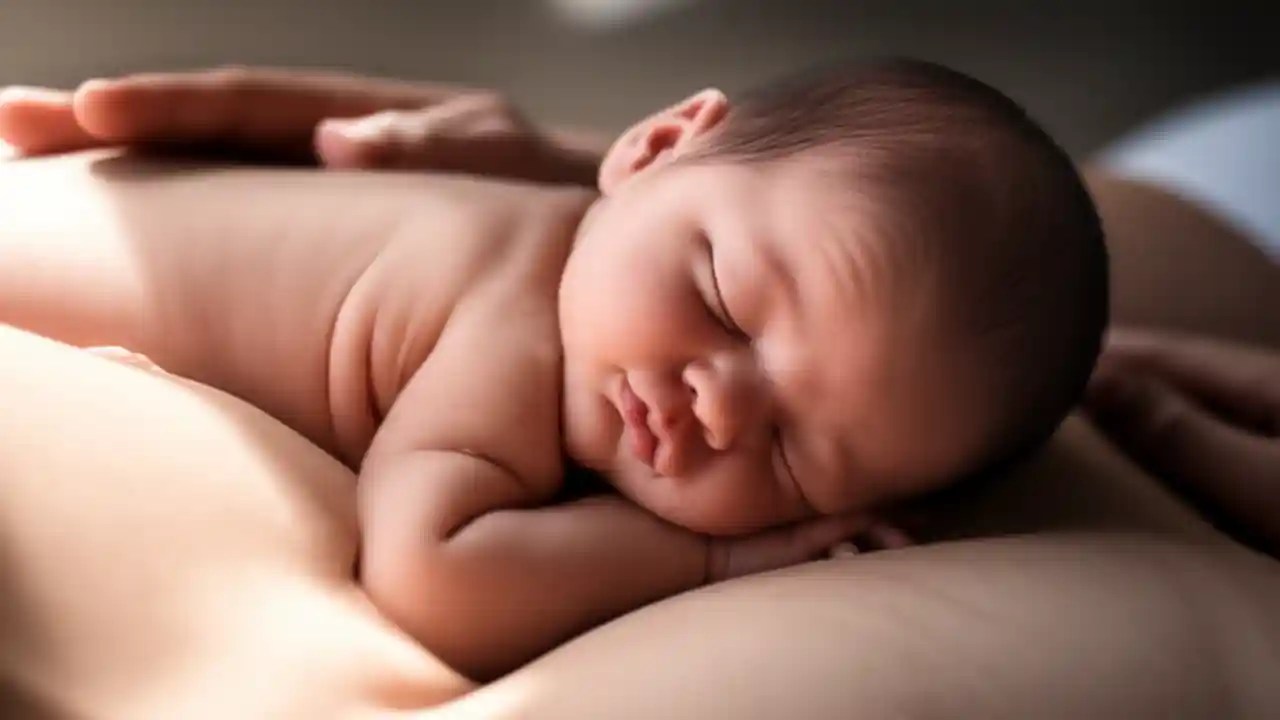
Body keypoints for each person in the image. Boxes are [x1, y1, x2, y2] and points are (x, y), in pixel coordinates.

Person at [1, 66, 1277, 719]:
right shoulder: (506, 314)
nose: (714, 406)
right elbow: (430, 572)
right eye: (720, 300)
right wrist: (721, 559)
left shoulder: (610, 264)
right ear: (653, 145)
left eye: (793, 454)